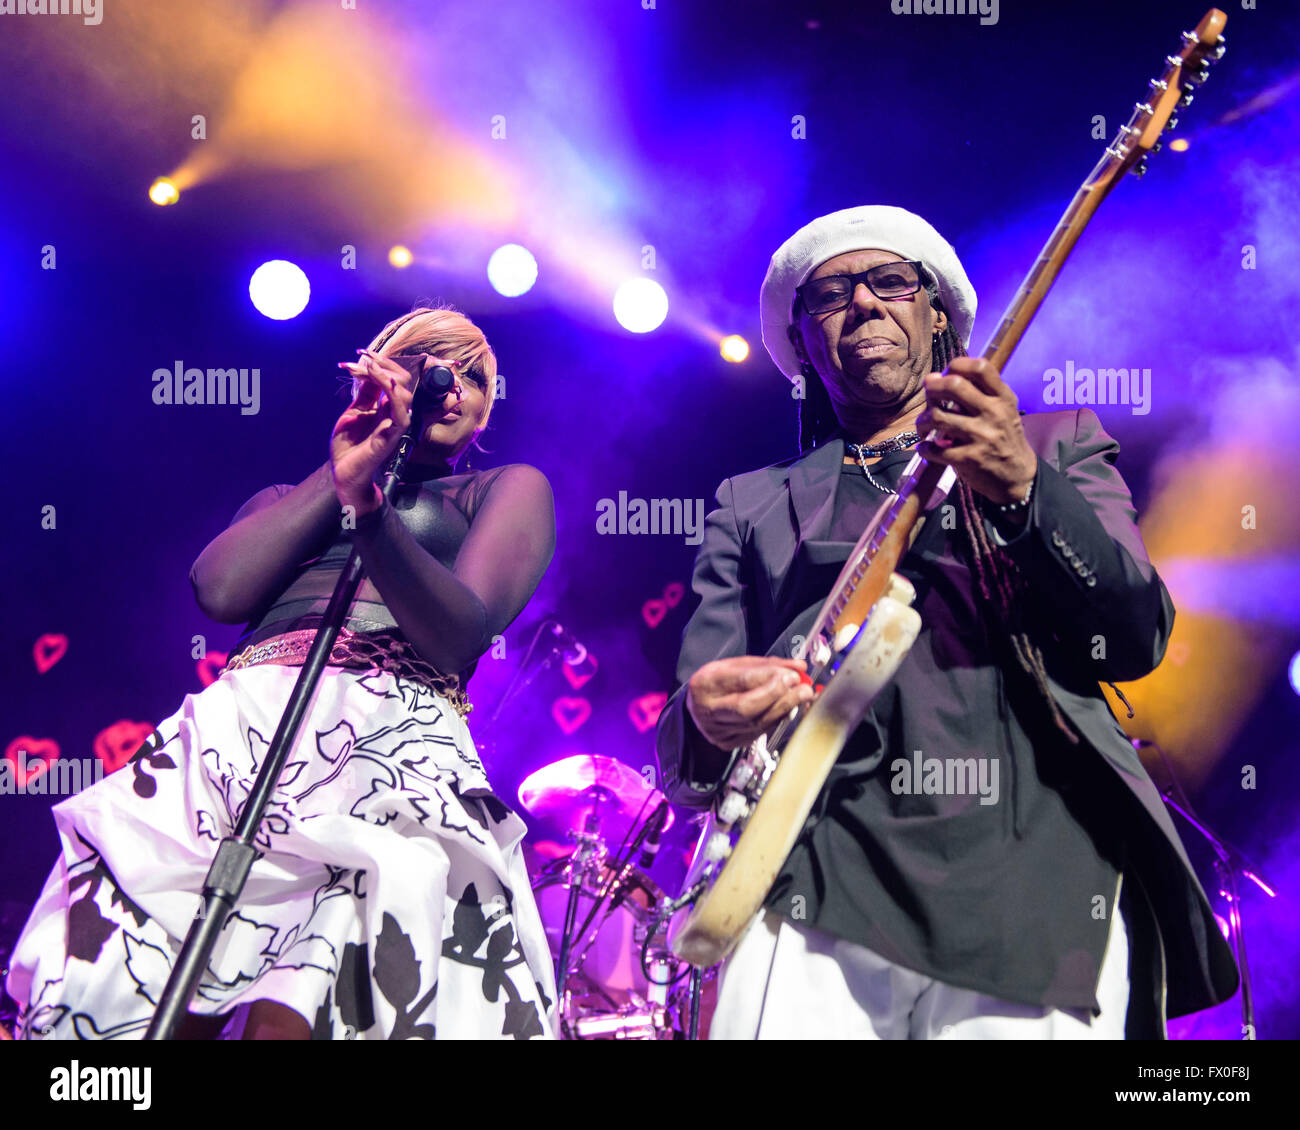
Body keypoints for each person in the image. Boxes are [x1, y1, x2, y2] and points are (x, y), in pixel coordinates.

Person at [655, 205, 1239, 1039]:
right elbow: (685, 754)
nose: (862, 304)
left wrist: (1024, 488)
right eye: (829, 295)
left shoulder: (1056, 442)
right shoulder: (751, 505)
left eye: (891, 282)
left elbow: (1134, 631)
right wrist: (709, 718)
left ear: (938, 317)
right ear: (804, 345)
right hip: (809, 876)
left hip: (1037, 875)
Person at [8, 306, 559, 1040]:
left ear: (491, 405)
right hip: (248, 724)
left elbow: (458, 633)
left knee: (315, 987)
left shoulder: (501, 490)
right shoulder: (288, 496)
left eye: (473, 377)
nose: (451, 386)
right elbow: (220, 590)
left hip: (388, 738)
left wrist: (369, 509)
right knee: (155, 962)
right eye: (429, 366)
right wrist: (346, 472)